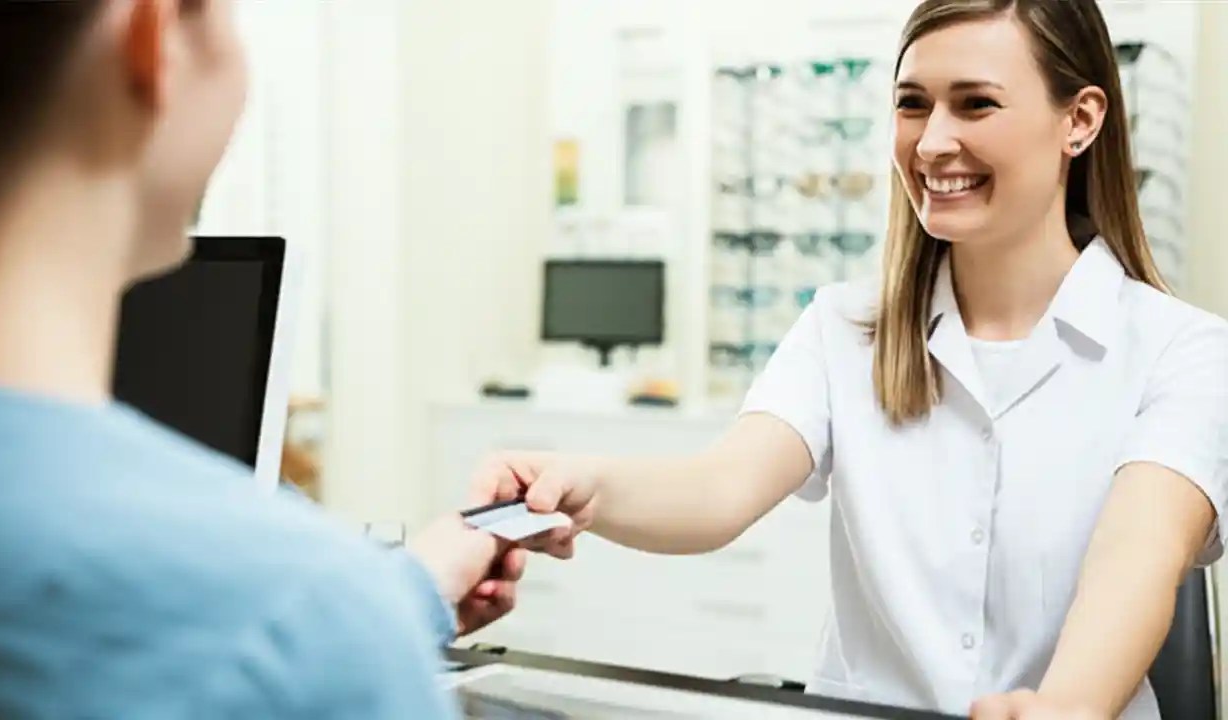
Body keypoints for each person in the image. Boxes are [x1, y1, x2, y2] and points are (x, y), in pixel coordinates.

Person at [471, 1, 1228, 719]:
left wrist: (1066, 707)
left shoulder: (1183, 352)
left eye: (976, 104)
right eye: (912, 103)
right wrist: (583, 484)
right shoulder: (843, 329)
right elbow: (719, 490)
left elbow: (1141, 548)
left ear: (1080, 120)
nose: (932, 142)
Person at [0, 1, 522, 717]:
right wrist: (349, 612)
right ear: (154, 42)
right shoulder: (293, 611)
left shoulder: (301, 607)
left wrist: (396, 591)